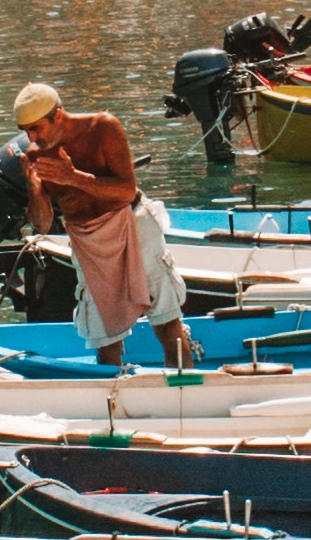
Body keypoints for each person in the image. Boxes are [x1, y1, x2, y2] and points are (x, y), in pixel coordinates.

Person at [12, 77, 195, 365]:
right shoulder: (36, 156)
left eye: (36, 128)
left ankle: (186, 392)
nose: (32, 138)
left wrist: (73, 178)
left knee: (167, 324)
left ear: (57, 114)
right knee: (105, 338)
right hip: (88, 241)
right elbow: (42, 225)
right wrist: (35, 189)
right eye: (25, 131)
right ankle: (114, 400)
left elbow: (124, 190)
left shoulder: (102, 128)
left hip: (132, 223)